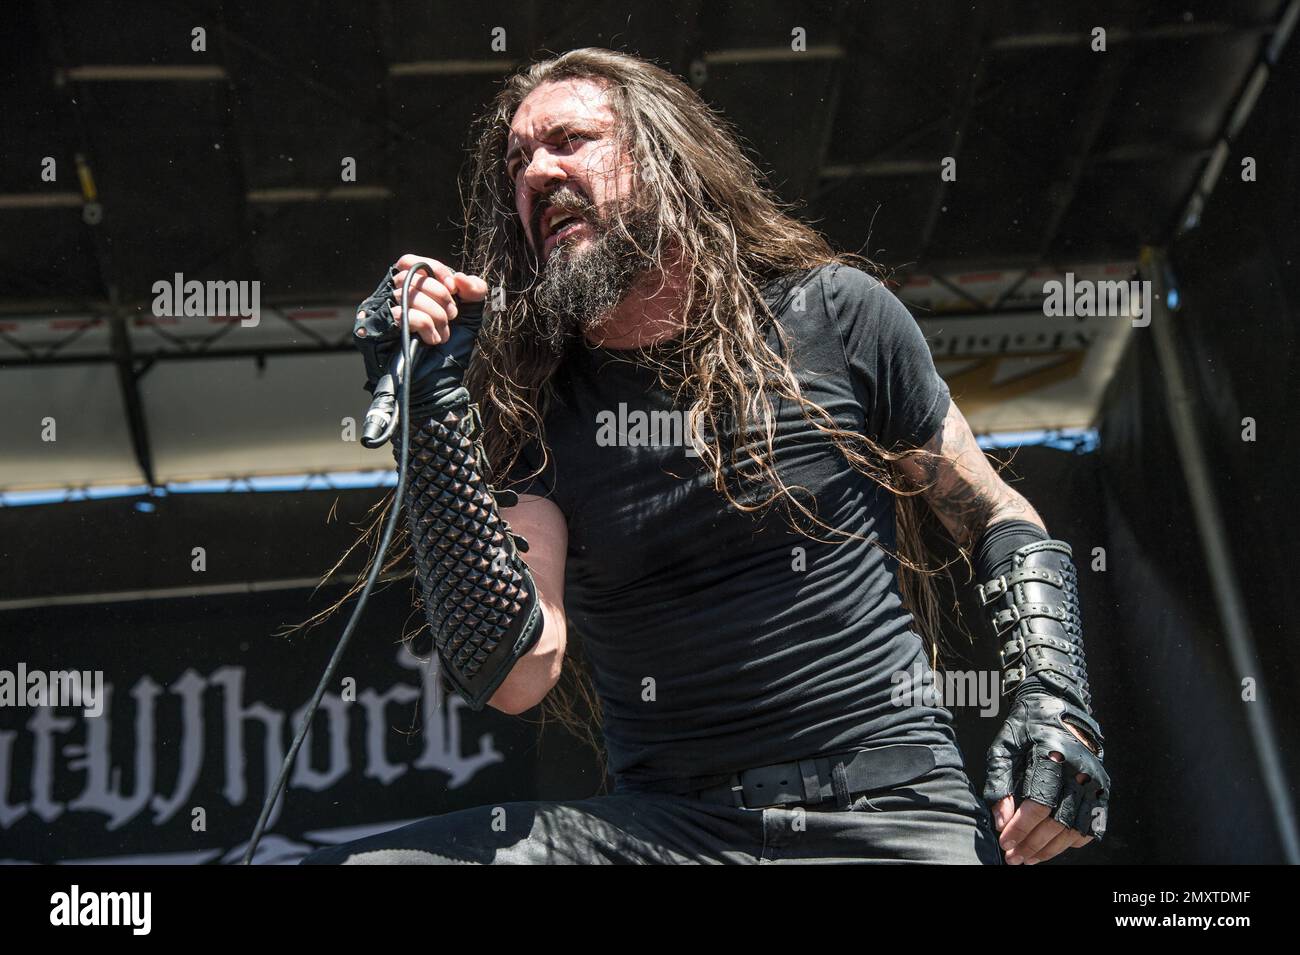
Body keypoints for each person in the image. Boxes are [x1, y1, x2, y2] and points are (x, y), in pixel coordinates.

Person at [303, 48, 1108, 865]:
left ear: (662, 155)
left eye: (570, 140)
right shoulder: (535, 404)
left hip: (890, 809)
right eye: (518, 160)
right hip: (669, 831)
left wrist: (1055, 698)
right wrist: (434, 414)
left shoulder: (833, 314)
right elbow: (518, 672)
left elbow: (998, 515)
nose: (538, 172)